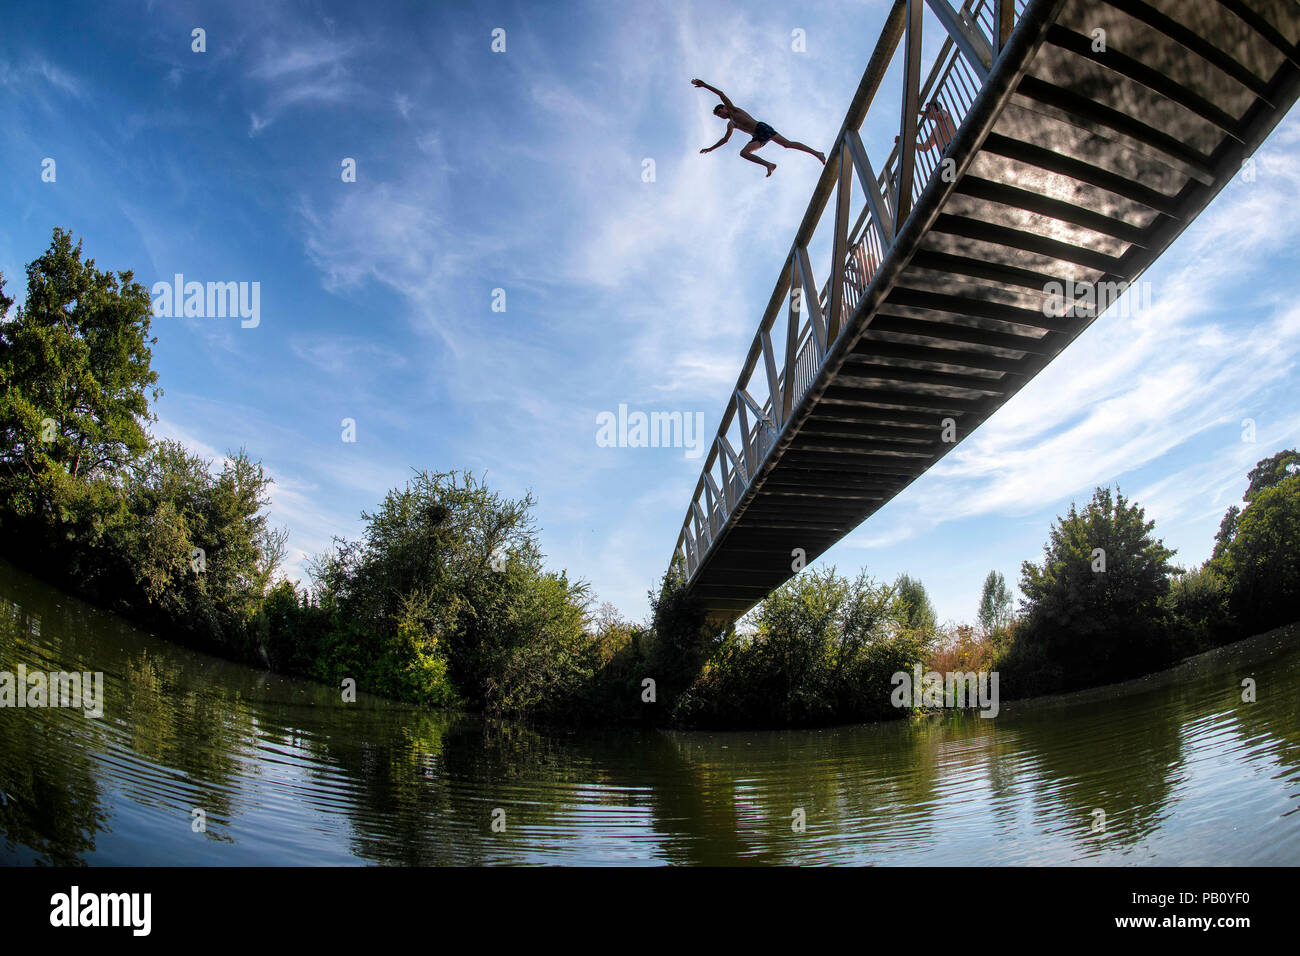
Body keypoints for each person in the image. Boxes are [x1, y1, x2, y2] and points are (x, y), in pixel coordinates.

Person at [692, 78, 825, 177]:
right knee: (744, 153)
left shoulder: (733, 110)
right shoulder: (730, 124)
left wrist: (704, 85)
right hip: (757, 136)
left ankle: (817, 153)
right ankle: (769, 165)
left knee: (787, 144)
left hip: (761, 128)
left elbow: (721, 94)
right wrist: (710, 149)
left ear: (724, 109)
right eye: (718, 116)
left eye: (720, 113)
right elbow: (725, 140)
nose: (721, 116)